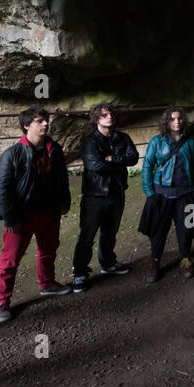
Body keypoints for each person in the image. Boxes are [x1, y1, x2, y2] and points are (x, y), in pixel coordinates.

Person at [0, 107, 72, 321]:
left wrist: (64, 202)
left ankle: (47, 284)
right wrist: (11, 218)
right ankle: (1, 301)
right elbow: (4, 189)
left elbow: (62, 178)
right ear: (26, 125)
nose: (45, 124)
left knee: (48, 250)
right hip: (22, 215)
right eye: (39, 121)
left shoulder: (53, 149)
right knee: (10, 260)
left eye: (45, 120)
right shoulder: (12, 154)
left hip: (49, 211)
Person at [72, 104, 140, 291]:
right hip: (95, 195)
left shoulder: (122, 138)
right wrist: (117, 160)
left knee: (110, 232)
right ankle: (79, 273)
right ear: (96, 119)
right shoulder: (90, 141)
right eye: (103, 115)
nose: (109, 117)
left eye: (110, 114)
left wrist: (111, 158)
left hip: (116, 192)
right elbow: (97, 166)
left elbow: (133, 158)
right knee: (87, 235)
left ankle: (108, 263)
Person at [139, 107, 194, 283]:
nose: (177, 122)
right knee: (158, 230)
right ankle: (155, 262)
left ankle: (185, 258)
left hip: (187, 193)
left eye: (180, 119)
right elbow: (147, 167)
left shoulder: (190, 142)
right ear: (166, 122)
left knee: (188, 227)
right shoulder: (157, 142)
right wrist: (150, 193)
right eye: (172, 119)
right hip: (162, 194)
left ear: (184, 121)